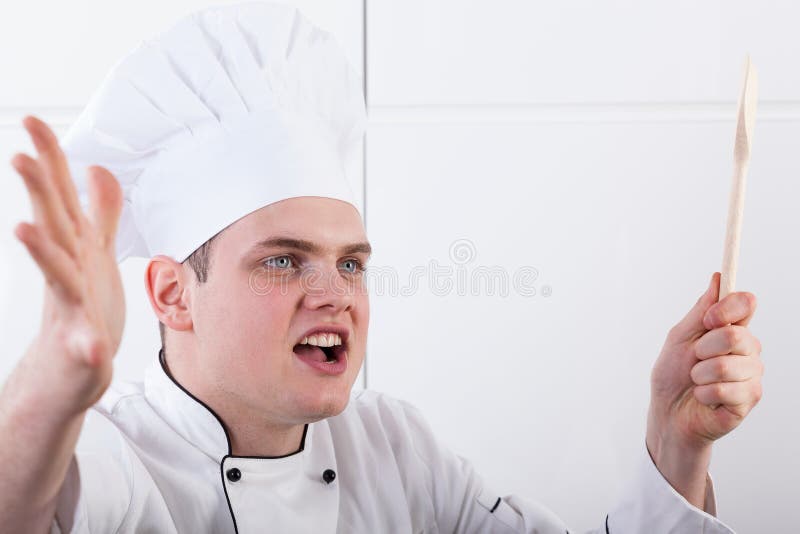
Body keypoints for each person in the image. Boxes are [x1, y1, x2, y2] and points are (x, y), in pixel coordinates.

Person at [0, 3, 764, 533]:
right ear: (173, 294)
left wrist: (676, 438)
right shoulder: (105, 457)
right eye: (283, 260)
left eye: (352, 263)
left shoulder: (393, 448)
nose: (334, 295)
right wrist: (54, 379)